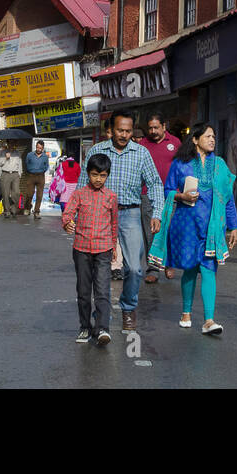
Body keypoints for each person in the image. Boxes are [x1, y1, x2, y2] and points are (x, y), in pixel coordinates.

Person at [148, 123, 237, 334]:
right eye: (208, 136)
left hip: (212, 227)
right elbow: (168, 189)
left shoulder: (220, 165)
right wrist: (182, 196)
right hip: (186, 225)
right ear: (195, 140)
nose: (212, 140)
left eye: (214, 136)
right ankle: (186, 312)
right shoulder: (181, 164)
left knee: (208, 269)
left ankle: (208, 320)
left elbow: (227, 198)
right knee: (190, 268)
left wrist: (233, 226)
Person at [78, 111, 162, 332]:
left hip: (130, 215)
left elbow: (155, 183)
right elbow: (81, 184)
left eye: (128, 131)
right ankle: (102, 314)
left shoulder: (141, 153)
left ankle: (128, 308)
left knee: (134, 268)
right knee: (100, 269)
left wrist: (157, 213)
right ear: (111, 130)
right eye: (120, 130)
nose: (124, 134)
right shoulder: (97, 150)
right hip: (99, 215)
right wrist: (76, 215)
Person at [62, 153, 119, 346]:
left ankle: (103, 328)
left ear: (107, 175)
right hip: (81, 249)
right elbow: (68, 212)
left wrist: (114, 247)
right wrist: (67, 223)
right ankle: (84, 327)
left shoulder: (111, 197)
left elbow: (114, 223)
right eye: (95, 175)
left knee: (102, 290)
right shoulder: (79, 194)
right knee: (84, 291)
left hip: (104, 249)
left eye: (102, 175)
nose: (98, 179)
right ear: (88, 174)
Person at [140, 113, 181, 284]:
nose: (153, 131)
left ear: (164, 126)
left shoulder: (175, 143)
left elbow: (182, 166)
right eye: (150, 128)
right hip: (147, 194)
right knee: (151, 232)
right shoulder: (142, 145)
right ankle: (153, 268)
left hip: (171, 194)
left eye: (156, 127)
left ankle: (169, 262)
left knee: (170, 230)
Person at [24, 140, 51, 218]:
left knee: (39, 195)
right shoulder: (30, 155)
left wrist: (42, 171)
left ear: (42, 148)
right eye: (37, 147)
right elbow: (26, 163)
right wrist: (30, 170)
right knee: (29, 194)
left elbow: (46, 166)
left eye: (40, 148)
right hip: (31, 175)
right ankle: (28, 208)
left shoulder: (45, 156)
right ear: (36, 147)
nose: (38, 149)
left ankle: (36, 211)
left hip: (40, 176)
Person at [0, 145, 23, 219]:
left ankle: (13, 209)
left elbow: (20, 164)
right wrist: (5, 158)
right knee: (5, 193)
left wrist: (20, 174)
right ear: (8, 144)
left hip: (15, 174)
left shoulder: (17, 153)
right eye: (11, 143)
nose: (12, 145)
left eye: (14, 143)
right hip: (5, 173)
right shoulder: (2, 153)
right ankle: (7, 211)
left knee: (16, 192)